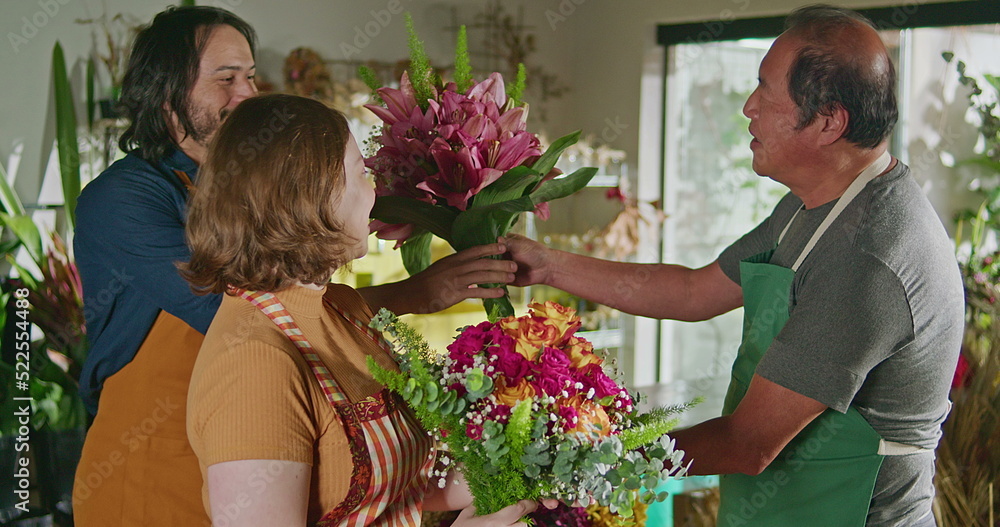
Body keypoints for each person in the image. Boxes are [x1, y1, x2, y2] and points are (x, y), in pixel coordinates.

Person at [501, 5, 964, 526]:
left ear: (830, 121)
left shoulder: (869, 257)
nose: (748, 107)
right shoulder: (810, 207)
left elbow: (747, 444)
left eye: (766, 91)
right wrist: (546, 266)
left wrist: (575, 462)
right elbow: (694, 292)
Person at [71, 6, 515, 525]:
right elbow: (251, 305)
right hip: (155, 474)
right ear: (167, 96)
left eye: (251, 77)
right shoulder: (122, 199)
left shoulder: (248, 186)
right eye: (226, 79)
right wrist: (414, 294)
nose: (247, 95)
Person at [182, 93, 534, 526]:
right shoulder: (254, 363)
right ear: (309, 196)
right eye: (362, 174)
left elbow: (395, 482)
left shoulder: (340, 309)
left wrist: (524, 463)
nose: (375, 193)